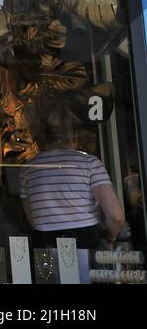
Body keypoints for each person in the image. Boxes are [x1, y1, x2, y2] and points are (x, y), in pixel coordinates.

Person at [20, 101, 125, 250]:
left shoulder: (27, 170)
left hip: (45, 244)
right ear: (74, 136)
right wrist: (111, 238)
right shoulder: (89, 163)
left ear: (41, 140)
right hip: (85, 240)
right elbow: (116, 216)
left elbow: (33, 219)